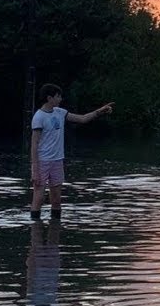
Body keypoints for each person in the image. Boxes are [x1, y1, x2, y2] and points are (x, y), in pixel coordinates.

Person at [30, 84, 113, 219]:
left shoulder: (60, 112)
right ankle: (35, 233)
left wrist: (99, 111)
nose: (60, 99)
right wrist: (35, 169)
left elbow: (82, 119)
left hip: (57, 161)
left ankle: (54, 234)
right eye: (58, 96)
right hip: (42, 161)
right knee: (38, 198)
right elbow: (34, 144)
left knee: (56, 200)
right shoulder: (39, 117)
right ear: (49, 98)